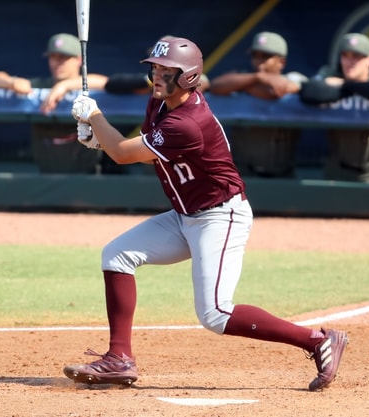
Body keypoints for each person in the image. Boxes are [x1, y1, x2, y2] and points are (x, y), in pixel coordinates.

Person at [63, 37, 348, 391]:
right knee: (117, 255)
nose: (156, 76)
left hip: (220, 217)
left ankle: (318, 341)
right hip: (185, 215)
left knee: (215, 313)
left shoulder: (189, 122)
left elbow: (123, 153)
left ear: (189, 76)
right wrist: (98, 140)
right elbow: (144, 152)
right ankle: (119, 358)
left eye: (166, 71)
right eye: (155, 68)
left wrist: (95, 117)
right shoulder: (161, 103)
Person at [0, 33, 108, 174]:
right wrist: (12, 82)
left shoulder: (89, 85)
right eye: (53, 57)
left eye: (64, 57)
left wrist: (65, 86)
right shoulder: (41, 86)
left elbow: (107, 82)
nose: (57, 63)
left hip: (87, 175)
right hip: (46, 173)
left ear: (79, 60)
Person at [300, 33, 369, 184]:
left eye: (356, 56)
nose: (350, 62)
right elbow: (309, 91)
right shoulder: (331, 73)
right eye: (345, 56)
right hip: (338, 170)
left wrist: (345, 85)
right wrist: (351, 89)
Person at [209, 31, 306, 177]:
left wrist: (245, 86)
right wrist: (257, 77)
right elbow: (216, 86)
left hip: (281, 174)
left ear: (282, 62)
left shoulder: (294, 77)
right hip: (244, 173)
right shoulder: (246, 78)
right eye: (255, 56)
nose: (259, 61)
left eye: (265, 56)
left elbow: (278, 90)